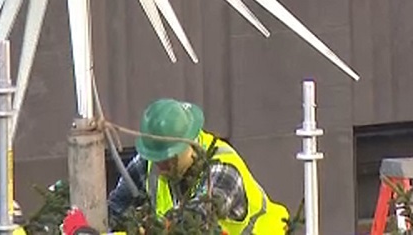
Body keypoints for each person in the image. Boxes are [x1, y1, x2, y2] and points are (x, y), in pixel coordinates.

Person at [108, 98, 290, 234]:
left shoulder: (223, 169)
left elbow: (194, 220)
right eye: (155, 156)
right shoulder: (148, 161)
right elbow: (115, 208)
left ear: (190, 142)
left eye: (168, 157)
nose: (160, 164)